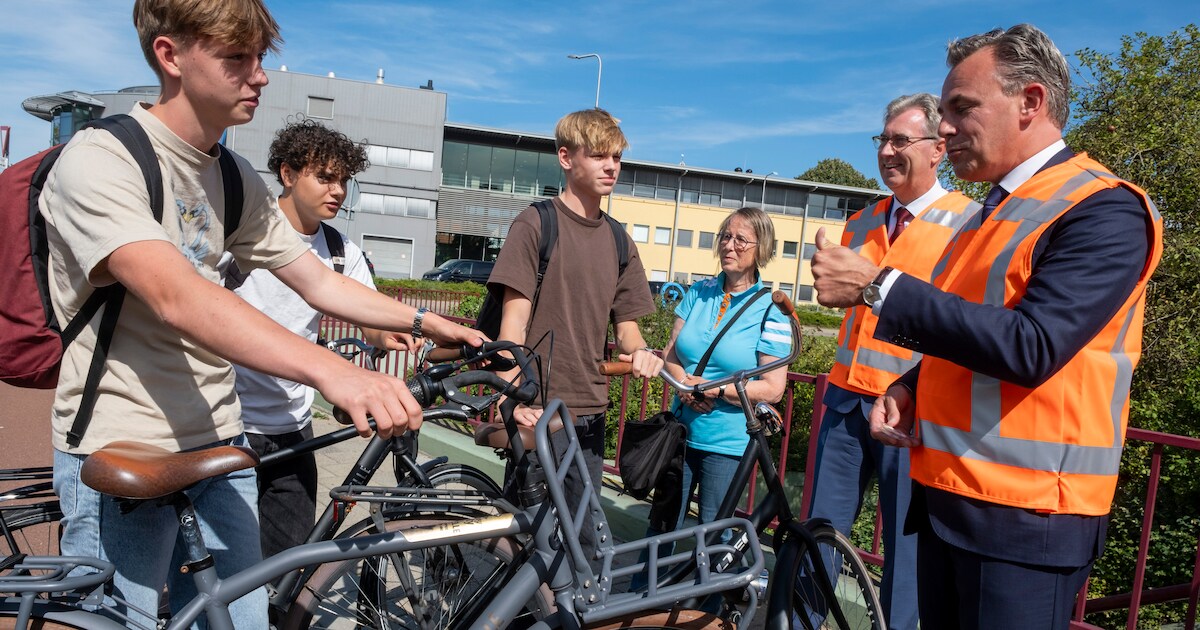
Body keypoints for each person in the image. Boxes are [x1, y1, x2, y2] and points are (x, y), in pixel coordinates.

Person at [41, 1, 481, 627]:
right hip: (121, 448)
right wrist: (334, 371)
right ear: (171, 56)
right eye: (236, 58)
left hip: (221, 443)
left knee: (244, 621)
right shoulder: (101, 158)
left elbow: (318, 283)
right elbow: (177, 295)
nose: (260, 76)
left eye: (260, 58)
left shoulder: (233, 176)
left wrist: (426, 323)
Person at [810, 24, 1163, 629]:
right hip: (950, 496)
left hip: (1028, 522)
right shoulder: (988, 213)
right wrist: (914, 384)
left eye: (961, 108)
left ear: (1030, 101)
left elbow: (1033, 345)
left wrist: (876, 286)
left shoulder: (1105, 208)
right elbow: (976, 329)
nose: (945, 129)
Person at [805, 93, 979, 630]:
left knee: (909, 555)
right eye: (881, 139)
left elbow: (964, 321)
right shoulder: (860, 222)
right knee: (819, 537)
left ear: (937, 150)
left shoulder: (969, 224)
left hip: (912, 413)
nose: (886, 151)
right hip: (843, 403)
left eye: (900, 140)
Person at [225, 119, 415, 560]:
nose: (338, 190)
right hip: (226, 424)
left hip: (293, 428)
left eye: (344, 180)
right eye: (325, 177)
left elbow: (370, 316)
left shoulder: (339, 249)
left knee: (287, 566)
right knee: (217, 566)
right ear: (288, 174)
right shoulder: (244, 231)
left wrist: (400, 334)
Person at [487, 107, 664, 560]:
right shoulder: (536, 224)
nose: (611, 166)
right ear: (566, 158)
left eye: (618, 157)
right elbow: (514, 324)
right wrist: (512, 393)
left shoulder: (620, 241)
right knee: (534, 535)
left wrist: (643, 352)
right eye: (600, 155)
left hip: (588, 411)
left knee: (580, 539)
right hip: (540, 407)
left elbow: (628, 330)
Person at [632, 207, 791, 595]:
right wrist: (684, 386)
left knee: (714, 540)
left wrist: (712, 388)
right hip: (680, 434)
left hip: (728, 444)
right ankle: (637, 607)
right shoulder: (698, 293)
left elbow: (772, 388)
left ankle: (708, 617)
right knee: (660, 529)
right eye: (725, 236)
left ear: (761, 249)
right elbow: (671, 355)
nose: (729, 246)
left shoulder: (772, 308)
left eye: (741, 240)